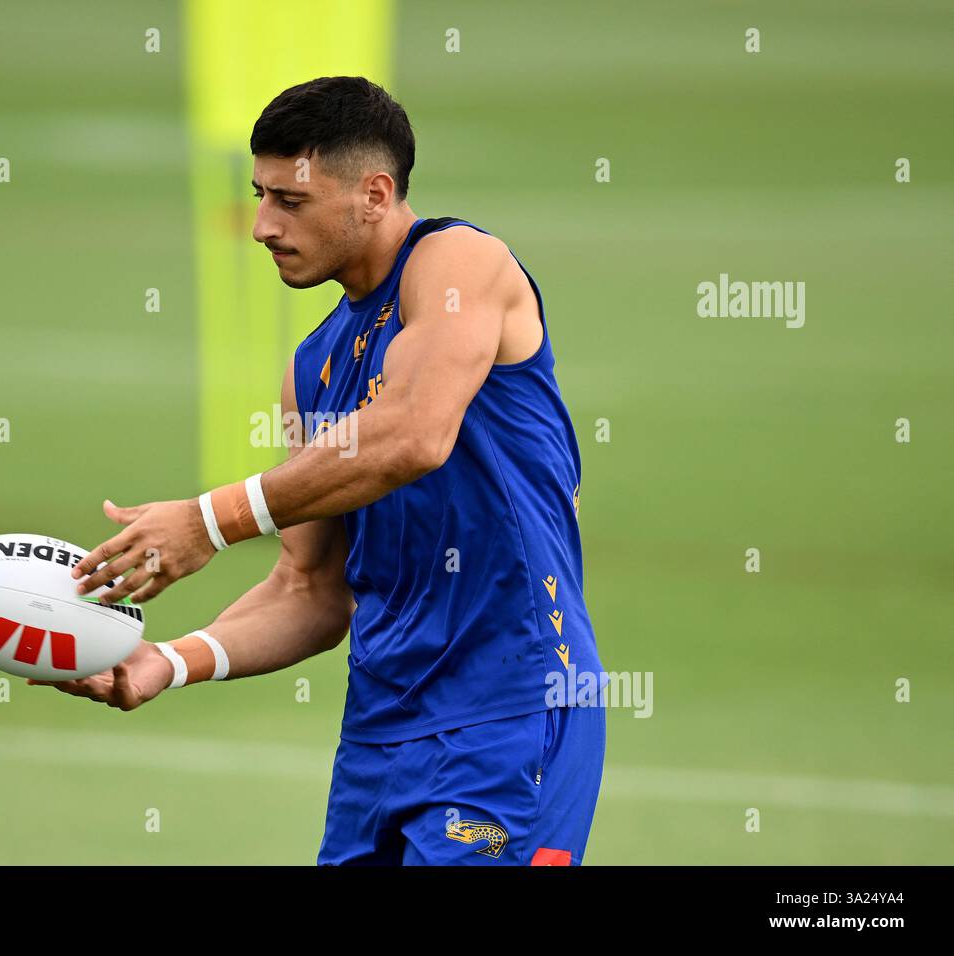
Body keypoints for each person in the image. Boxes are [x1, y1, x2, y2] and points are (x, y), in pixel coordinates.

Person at [32, 76, 606, 866]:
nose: (262, 226)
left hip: (510, 716)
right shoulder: (313, 369)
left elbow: (414, 433)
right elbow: (311, 589)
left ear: (374, 193)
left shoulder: (459, 264)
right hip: (378, 738)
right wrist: (166, 661)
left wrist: (208, 521)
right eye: (259, 196)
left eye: (290, 202)